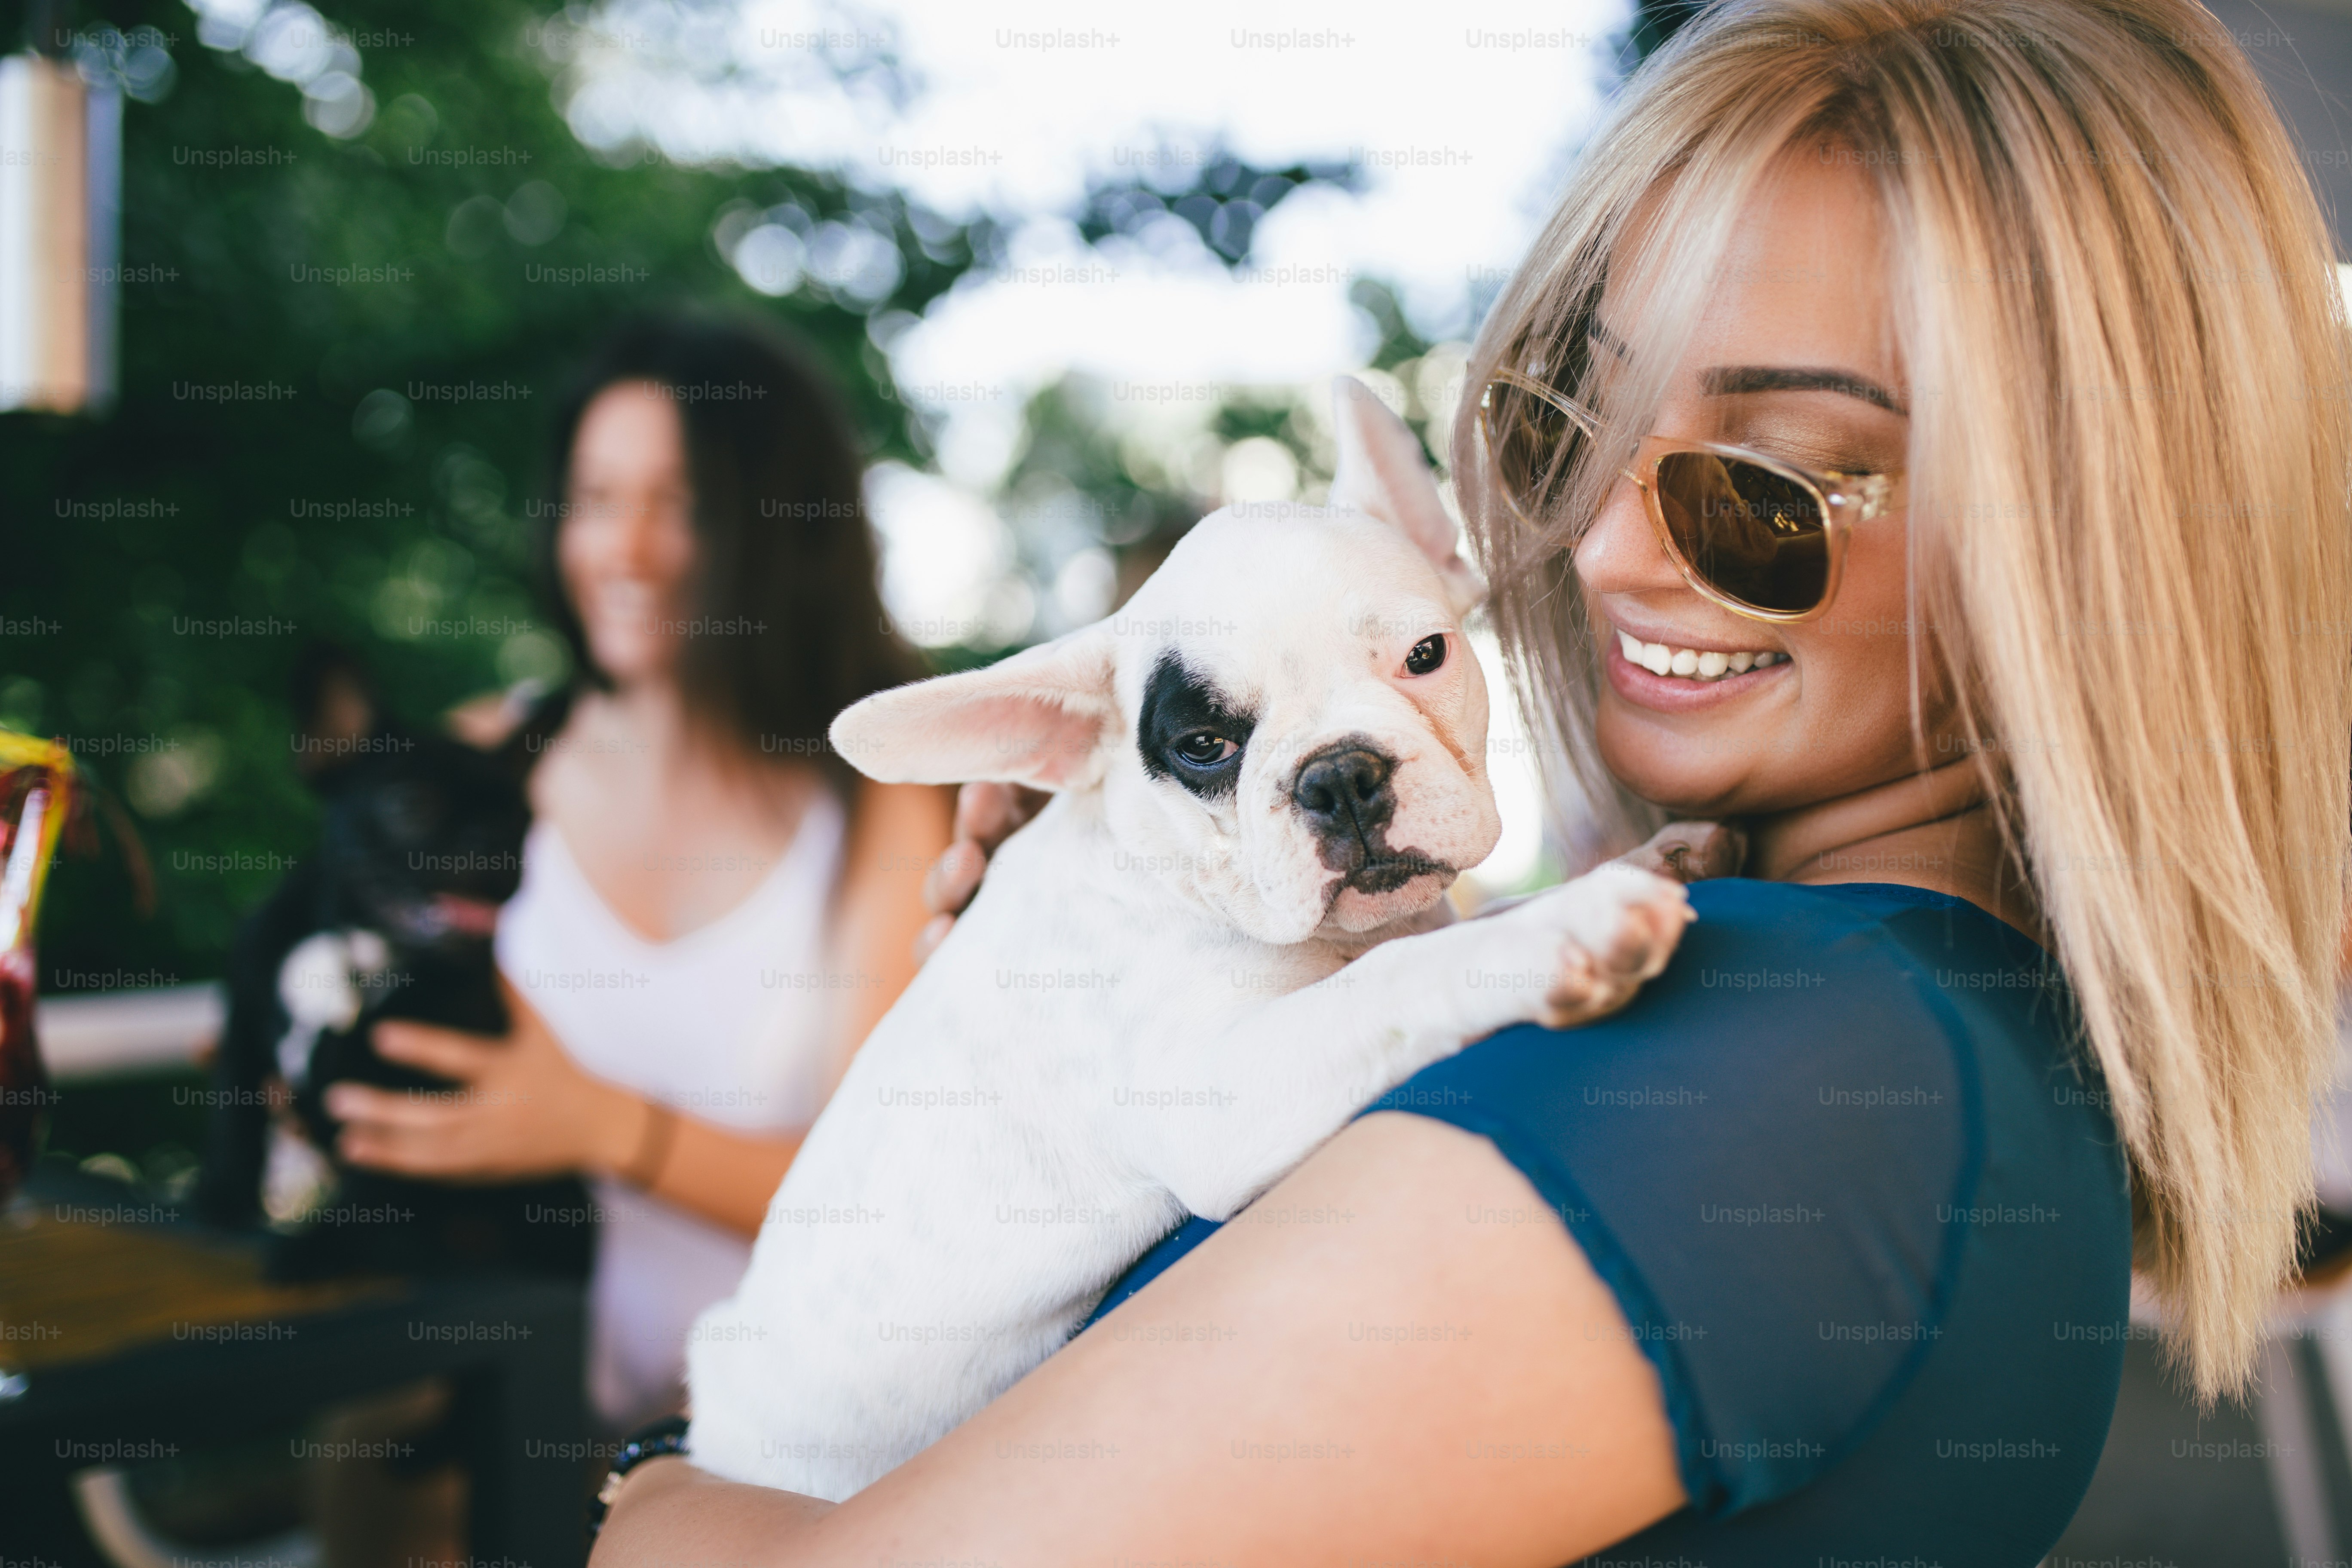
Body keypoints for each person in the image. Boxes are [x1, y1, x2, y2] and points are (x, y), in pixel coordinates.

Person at [591, 1, 2351, 1559]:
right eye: (1567, 426)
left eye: (1767, 477)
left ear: (2086, 543)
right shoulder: (1843, 1011)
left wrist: (666, 1483)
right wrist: (1106, 1003)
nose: (1596, 554)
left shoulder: (1772, 1081)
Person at [325, 314, 953, 1430]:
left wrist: (607, 1129)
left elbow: (882, 1206)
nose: (625, 549)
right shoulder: (486, 758)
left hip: (773, 1466)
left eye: (683, 505)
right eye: (598, 498)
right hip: (485, 1435)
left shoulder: (881, 801)